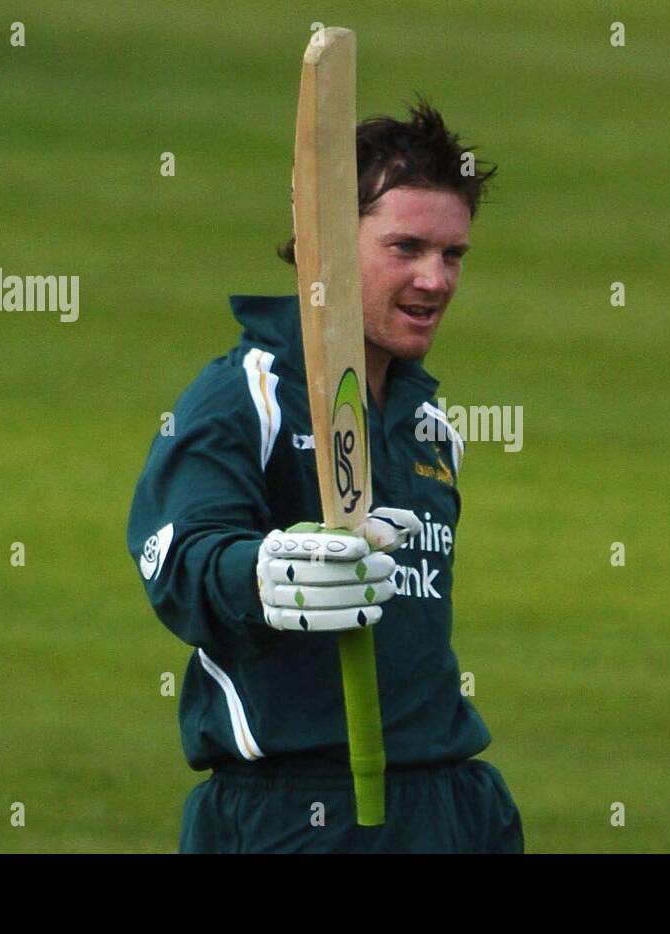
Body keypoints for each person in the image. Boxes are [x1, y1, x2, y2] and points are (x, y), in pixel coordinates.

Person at [126, 100, 523, 853]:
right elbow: (179, 562)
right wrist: (269, 574)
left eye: (454, 254)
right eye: (406, 247)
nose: (435, 280)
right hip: (297, 812)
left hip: (453, 805)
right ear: (325, 244)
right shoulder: (244, 395)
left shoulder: (429, 425)